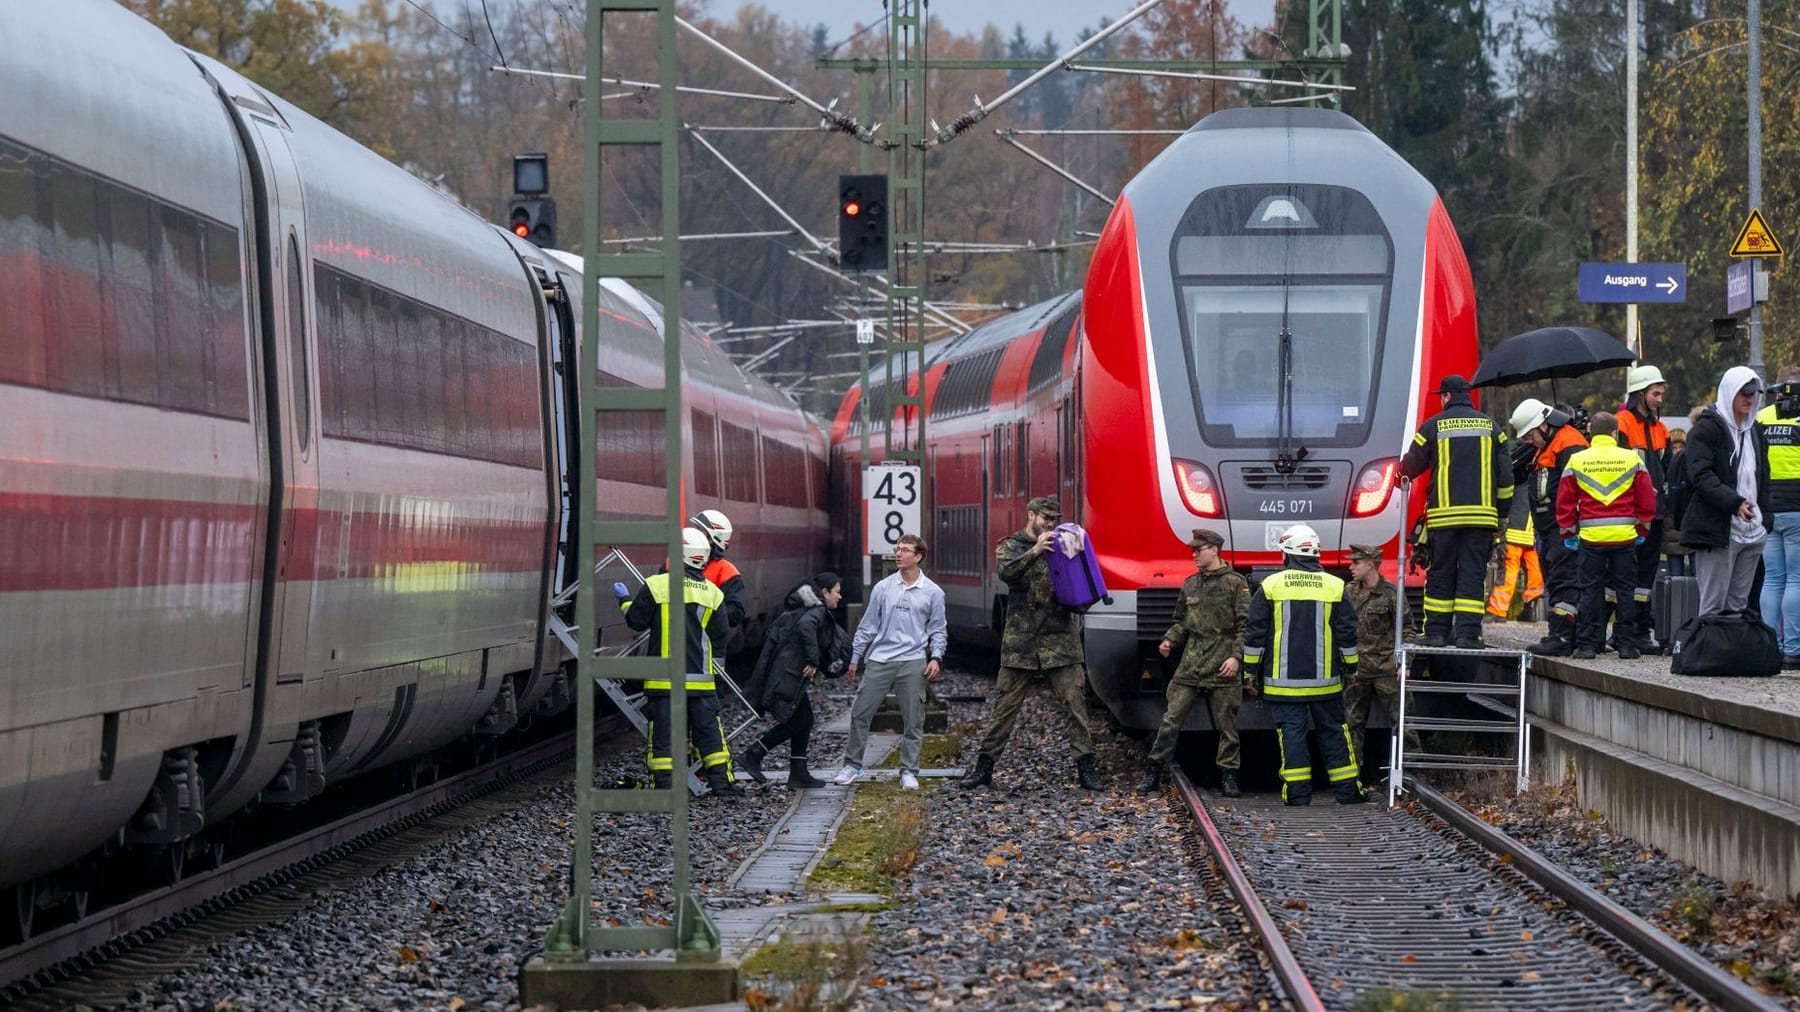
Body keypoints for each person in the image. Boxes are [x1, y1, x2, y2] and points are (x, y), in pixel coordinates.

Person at [961, 496, 1104, 791]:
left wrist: (1083, 599)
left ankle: (1087, 769)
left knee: (1076, 707)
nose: (1049, 524)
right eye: (1044, 519)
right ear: (1031, 515)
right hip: (1020, 646)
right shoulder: (1010, 545)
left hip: (1060, 642)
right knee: (1004, 710)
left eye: (1053, 519)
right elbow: (1007, 573)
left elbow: (1081, 586)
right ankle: (984, 768)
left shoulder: (1066, 544)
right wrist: (1036, 551)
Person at [1242, 524, 1363, 806]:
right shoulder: (1335, 586)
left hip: (1282, 685)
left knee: (1292, 737)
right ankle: (1348, 793)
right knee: (1335, 733)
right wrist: (1351, 669)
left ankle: (1297, 795)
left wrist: (1249, 672)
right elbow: (1347, 635)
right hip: (1327, 684)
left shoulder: (1270, 586)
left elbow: (1254, 634)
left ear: (1288, 554)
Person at [620, 527, 739, 796]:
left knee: (663, 739)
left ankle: (664, 788)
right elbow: (719, 635)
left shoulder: (657, 585)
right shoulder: (713, 594)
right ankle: (722, 784)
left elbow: (636, 621)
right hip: (701, 682)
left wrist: (624, 600)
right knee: (710, 736)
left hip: (664, 681)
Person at [1400, 374, 1513, 649]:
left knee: (1441, 573)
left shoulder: (1433, 426)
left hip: (1444, 519)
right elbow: (1506, 479)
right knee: (1472, 575)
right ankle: (1468, 635)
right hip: (1482, 520)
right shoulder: (1492, 428)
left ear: (1447, 397)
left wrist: (1401, 474)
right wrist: (1502, 515)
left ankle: (1437, 633)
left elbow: (1409, 467)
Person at [1137, 528, 1249, 797]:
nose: (1194, 555)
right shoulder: (1190, 584)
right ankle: (1153, 771)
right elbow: (1181, 621)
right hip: (1192, 663)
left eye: (1198, 550)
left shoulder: (1236, 584)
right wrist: (1169, 640)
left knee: (1228, 726)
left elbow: (1245, 627)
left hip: (1223, 663)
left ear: (1214, 549)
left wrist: (1236, 657)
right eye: (1193, 551)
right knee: (1170, 719)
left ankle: (1229, 776)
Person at [836, 534, 948, 789]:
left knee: (913, 718)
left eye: (905, 550)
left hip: (913, 660)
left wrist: (936, 657)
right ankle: (852, 765)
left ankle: (909, 770)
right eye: (897, 549)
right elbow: (868, 625)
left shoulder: (933, 593)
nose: (899, 554)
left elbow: (938, 629)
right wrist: (855, 657)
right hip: (880, 659)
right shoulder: (883, 588)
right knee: (861, 712)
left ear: (918, 557)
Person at [1557, 412, 1657, 660]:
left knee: (1590, 591)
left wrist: (1569, 533)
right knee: (1625, 591)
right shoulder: (1632, 459)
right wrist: (1642, 530)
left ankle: (1587, 646)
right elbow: (1646, 499)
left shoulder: (1577, 461)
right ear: (1615, 433)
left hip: (1591, 539)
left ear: (1592, 433)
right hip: (1625, 537)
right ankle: (1625, 645)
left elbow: (1565, 501)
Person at [740, 573, 850, 788]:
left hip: (788, 672)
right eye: (836, 592)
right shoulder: (816, 611)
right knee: (799, 720)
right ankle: (753, 754)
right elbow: (805, 627)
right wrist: (813, 659)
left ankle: (798, 772)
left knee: (805, 719)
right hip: (788, 674)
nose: (840, 596)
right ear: (825, 592)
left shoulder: (808, 609)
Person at [1682, 366, 1771, 617]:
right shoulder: (1707, 429)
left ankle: (1730, 655)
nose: (1750, 398)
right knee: (1713, 606)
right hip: (1718, 530)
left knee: (1737, 608)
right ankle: (1708, 656)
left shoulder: (1755, 430)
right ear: (1730, 392)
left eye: (1754, 393)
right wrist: (1734, 503)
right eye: (1744, 393)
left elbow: (1763, 477)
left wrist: (1767, 518)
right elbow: (1700, 475)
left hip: (1753, 532)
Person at [1511, 398, 1589, 656]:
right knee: (1556, 580)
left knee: (1564, 580)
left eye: (1531, 435)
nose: (1530, 440)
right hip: (1550, 527)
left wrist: (1568, 527)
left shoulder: (1569, 443)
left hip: (1563, 526)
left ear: (1544, 424)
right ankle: (1561, 633)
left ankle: (1563, 636)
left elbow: (1574, 489)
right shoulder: (1547, 446)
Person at [1615, 367, 1674, 652]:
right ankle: (1622, 632)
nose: (1660, 399)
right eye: (1655, 393)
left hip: (1655, 513)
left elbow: (1666, 471)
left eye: (1661, 393)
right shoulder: (1622, 423)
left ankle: (1639, 632)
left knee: (1645, 577)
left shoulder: (1660, 429)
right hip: (1630, 512)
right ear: (1640, 393)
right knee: (1624, 575)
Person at [1345, 544, 1411, 777]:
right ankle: (1352, 776)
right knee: (1352, 723)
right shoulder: (1349, 592)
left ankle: (1411, 772)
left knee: (1403, 720)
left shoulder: (1392, 595)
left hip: (1386, 669)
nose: (1351, 567)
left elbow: (1407, 631)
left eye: (1356, 563)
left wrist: (1405, 663)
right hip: (1357, 669)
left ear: (1370, 564)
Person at [1757, 367, 1800, 668]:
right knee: (1797, 579)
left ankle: (1771, 646)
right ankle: (1794, 650)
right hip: (1797, 508)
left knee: (1772, 579)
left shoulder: (1761, 419)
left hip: (1768, 508)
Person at [1486, 491, 1544, 619]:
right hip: (1533, 533)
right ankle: (1531, 607)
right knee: (1535, 571)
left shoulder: (1514, 479)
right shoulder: (1538, 478)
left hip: (1513, 531)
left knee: (1508, 572)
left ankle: (1497, 610)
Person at [689, 508, 748, 635]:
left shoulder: (726, 572)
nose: (694, 534)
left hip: (705, 649)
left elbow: (735, 615)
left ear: (713, 539)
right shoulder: (670, 563)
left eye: (700, 531)